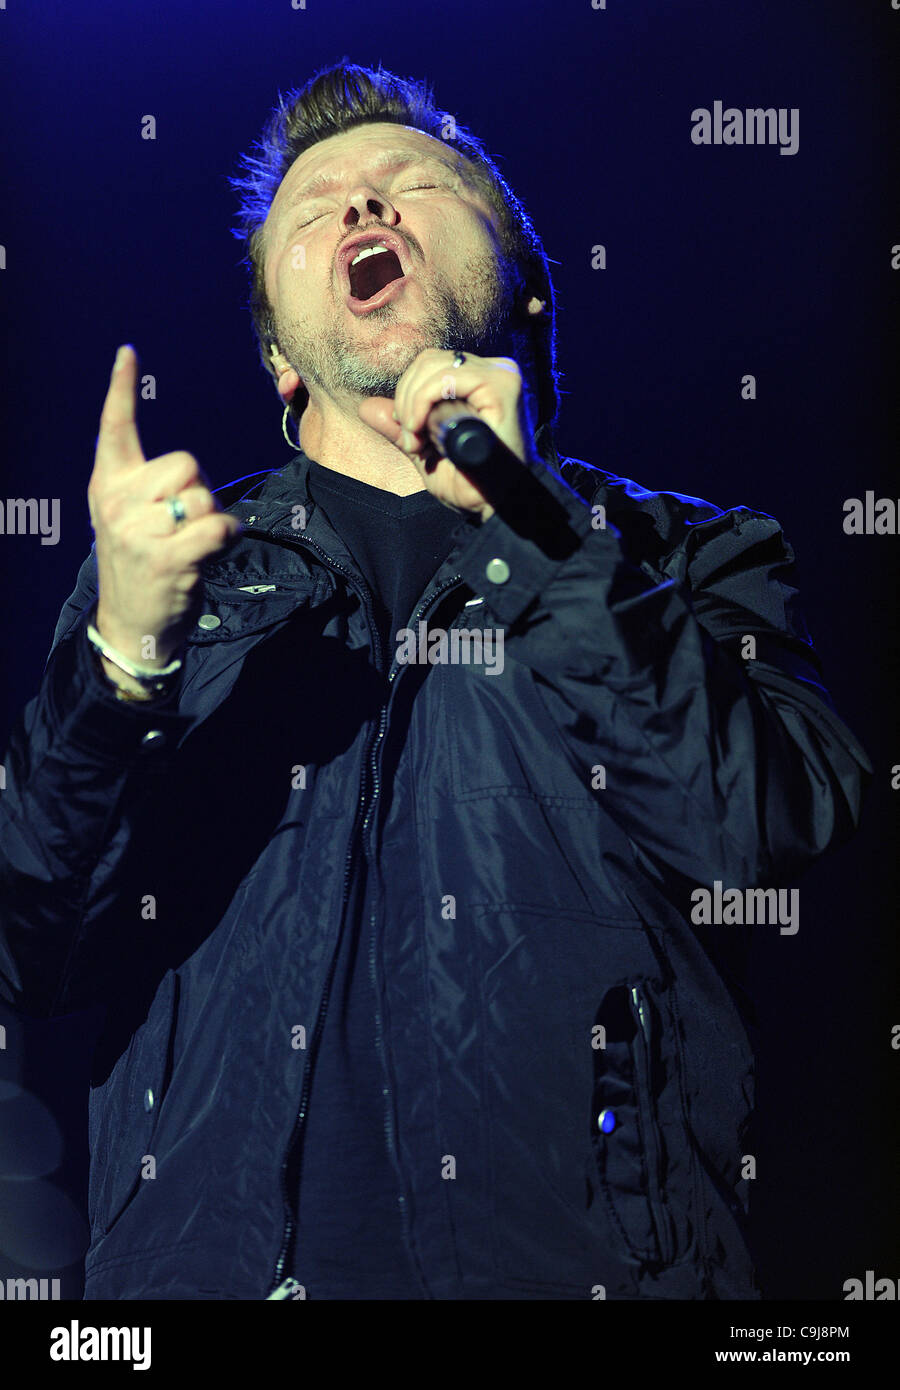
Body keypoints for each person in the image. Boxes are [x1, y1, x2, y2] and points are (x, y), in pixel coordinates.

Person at [0, 61, 871, 1301]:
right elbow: (30, 952)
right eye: (315, 211)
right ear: (279, 361)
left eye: (415, 185)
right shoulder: (173, 580)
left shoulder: (690, 553)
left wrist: (540, 538)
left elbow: (765, 828)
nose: (363, 210)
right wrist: (122, 659)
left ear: (524, 292)